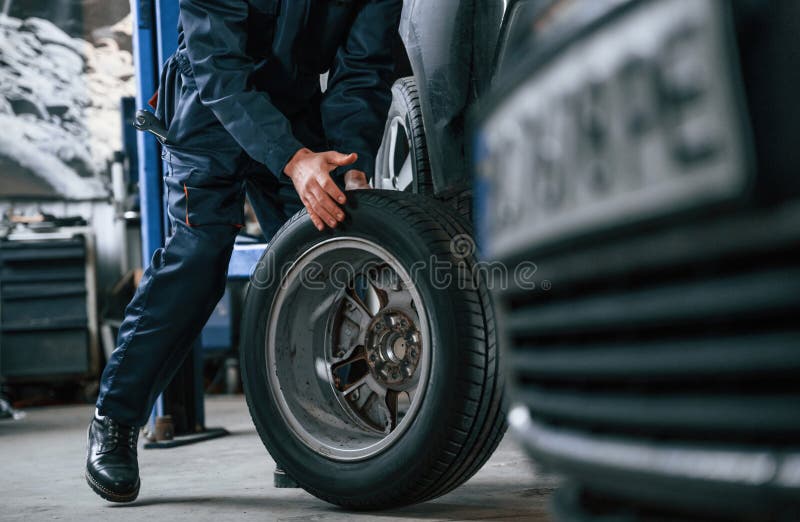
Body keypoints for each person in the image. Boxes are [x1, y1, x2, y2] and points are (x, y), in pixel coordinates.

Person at [86, 0, 402, 503]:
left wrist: (350, 162)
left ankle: (304, 431)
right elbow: (218, 67)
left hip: (291, 106)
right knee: (198, 259)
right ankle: (115, 421)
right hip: (210, 108)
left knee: (323, 256)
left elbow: (362, 69)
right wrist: (291, 159)